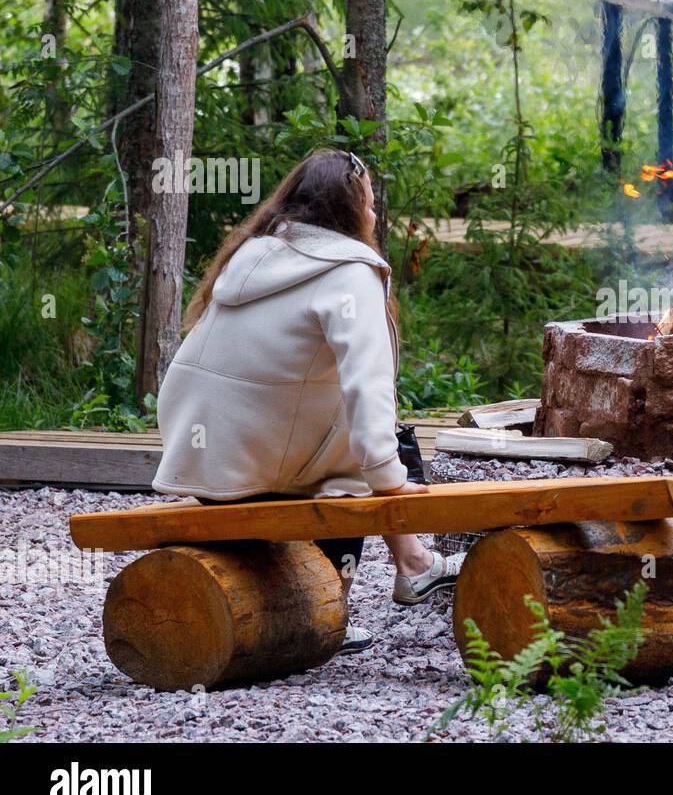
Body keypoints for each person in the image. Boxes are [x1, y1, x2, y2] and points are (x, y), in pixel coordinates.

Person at [152, 149, 458, 654]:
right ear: (348, 211)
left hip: (204, 460)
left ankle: (412, 564)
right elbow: (368, 382)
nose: (376, 216)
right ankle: (339, 601)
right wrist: (387, 475)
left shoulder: (253, 256)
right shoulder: (349, 271)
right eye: (370, 204)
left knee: (364, 444)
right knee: (374, 455)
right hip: (256, 470)